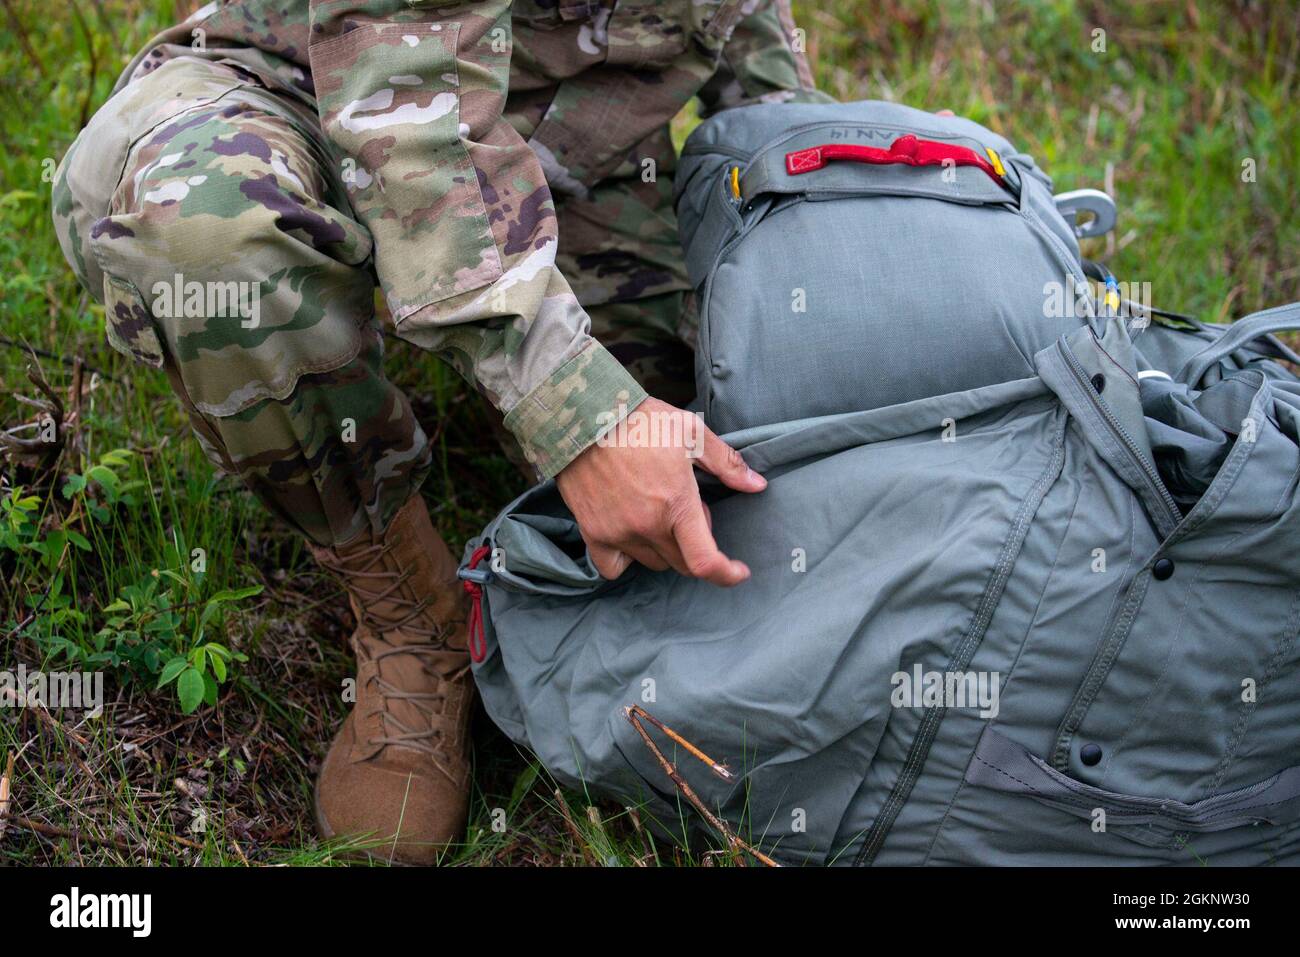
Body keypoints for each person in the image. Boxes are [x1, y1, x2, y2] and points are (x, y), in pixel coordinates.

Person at [52, 0, 829, 863]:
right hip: (301, 88)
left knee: (718, 440)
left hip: (554, 158)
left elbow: (758, 84)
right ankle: (407, 614)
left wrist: (851, 177)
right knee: (205, 233)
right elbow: (408, 123)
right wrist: (584, 414)